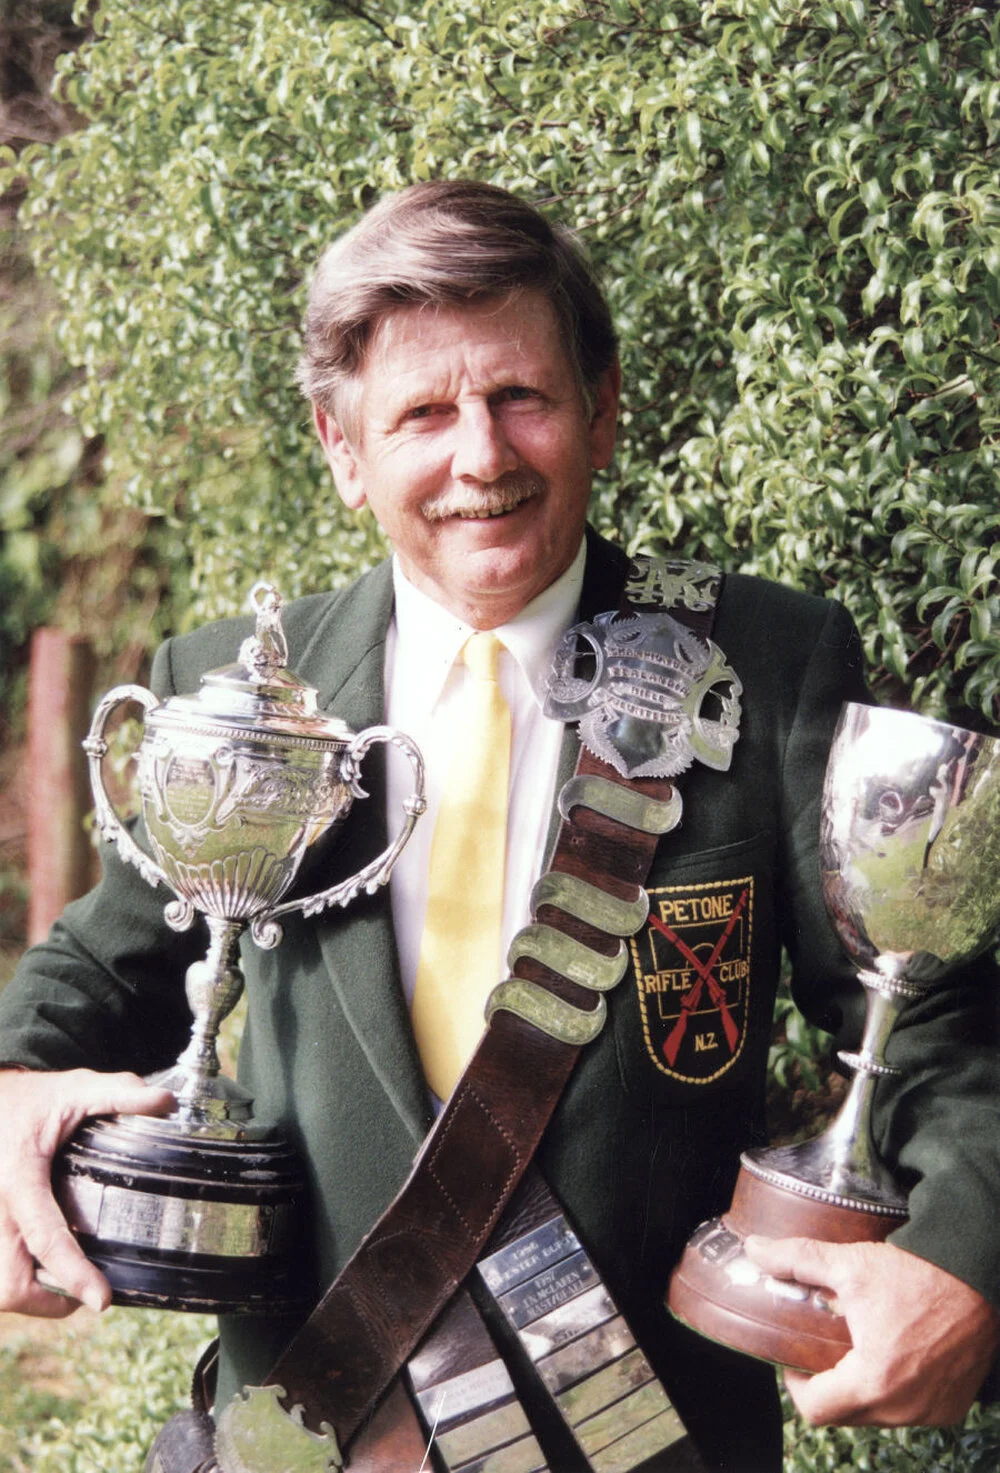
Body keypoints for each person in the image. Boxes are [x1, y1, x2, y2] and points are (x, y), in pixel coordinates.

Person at [0, 180, 997, 1472]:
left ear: (603, 408)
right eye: (422, 412)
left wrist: (964, 1259)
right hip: (319, 1433)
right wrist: (16, 1085)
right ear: (342, 449)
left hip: (644, 1444)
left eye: (521, 395)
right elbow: (101, 970)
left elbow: (936, 1019)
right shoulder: (247, 688)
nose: (482, 456)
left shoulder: (761, 659)